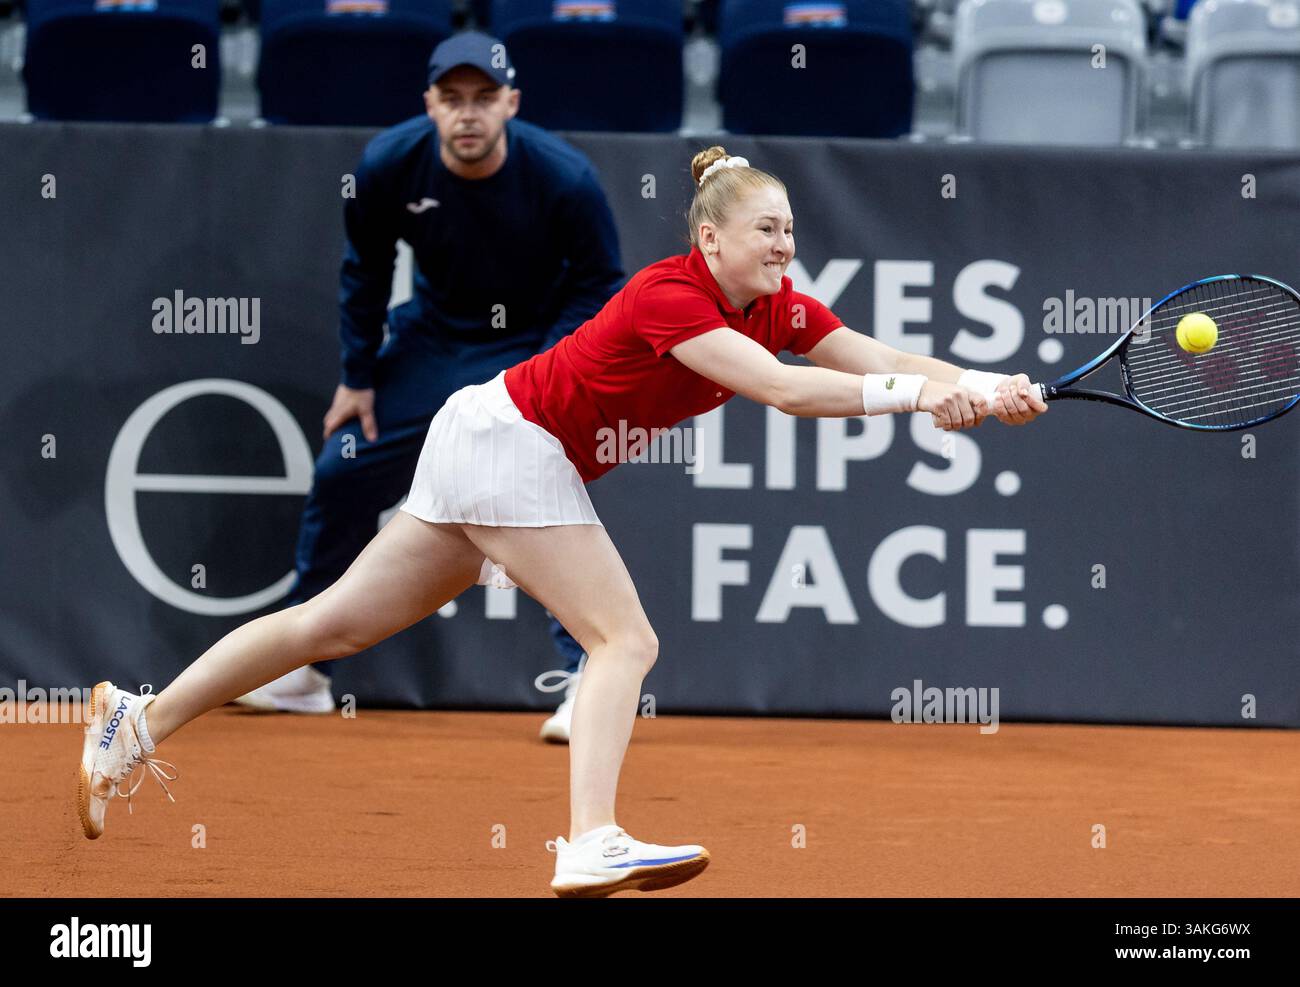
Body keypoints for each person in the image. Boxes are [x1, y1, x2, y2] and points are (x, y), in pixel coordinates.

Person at [76, 147, 1047, 898]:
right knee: (623, 639)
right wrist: (922, 404)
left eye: (789, 229)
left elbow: (869, 354)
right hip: (512, 443)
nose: (783, 245)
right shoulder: (673, 293)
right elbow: (789, 395)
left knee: (327, 627)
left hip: (485, 434)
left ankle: (135, 723)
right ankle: (589, 842)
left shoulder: (784, 305)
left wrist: (979, 385)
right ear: (712, 240)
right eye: (764, 230)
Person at [232, 31, 621, 743]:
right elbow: (365, 269)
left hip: (529, 350)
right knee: (343, 469)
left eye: (483, 99)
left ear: (512, 103)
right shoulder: (389, 163)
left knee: (538, 498)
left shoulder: (566, 178)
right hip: (433, 343)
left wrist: (547, 371)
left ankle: (585, 681)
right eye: (452, 99)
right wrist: (357, 373)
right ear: (430, 104)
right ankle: (305, 674)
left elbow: (600, 285)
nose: (467, 114)